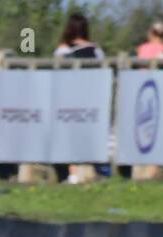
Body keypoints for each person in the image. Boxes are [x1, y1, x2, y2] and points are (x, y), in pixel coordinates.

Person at [53, 13, 106, 183]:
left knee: (67, 136)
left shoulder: (63, 50)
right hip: (91, 99)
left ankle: (70, 174)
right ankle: (101, 172)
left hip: (68, 99)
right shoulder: (96, 50)